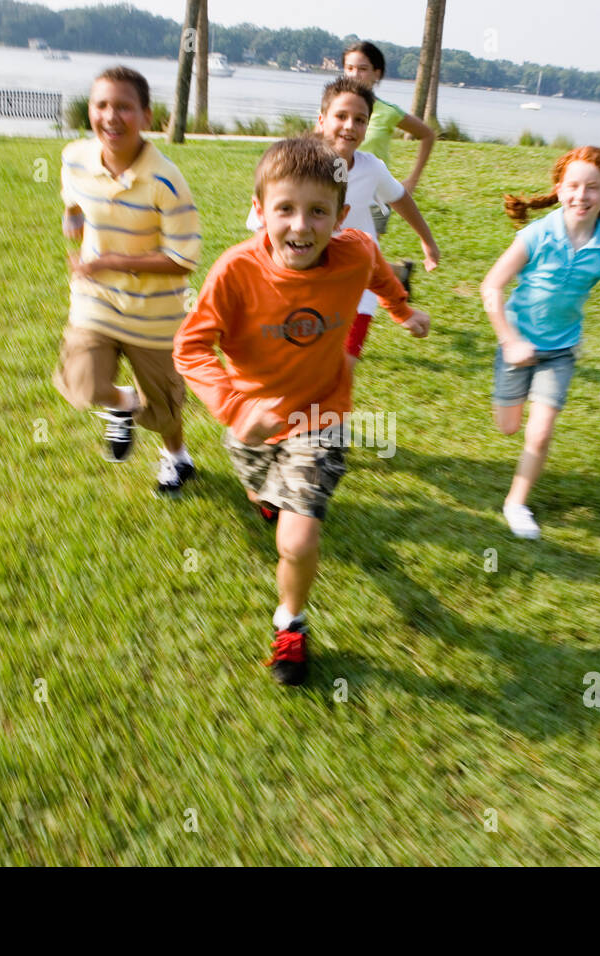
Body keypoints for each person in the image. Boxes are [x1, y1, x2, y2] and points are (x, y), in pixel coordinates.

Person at [175, 136, 432, 686]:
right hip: (250, 422)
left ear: (340, 216)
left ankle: (290, 622)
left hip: (321, 415)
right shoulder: (235, 271)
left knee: (297, 539)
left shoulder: (355, 251)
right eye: (285, 209)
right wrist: (234, 407)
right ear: (260, 210)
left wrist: (402, 311)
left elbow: (379, 271)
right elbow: (190, 347)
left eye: (318, 211)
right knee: (257, 485)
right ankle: (269, 497)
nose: (301, 225)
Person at [53, 66, 202, 495]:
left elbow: (182, 259)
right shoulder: (75, 157)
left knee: (166, 407)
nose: (111, 116)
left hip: (154, 312)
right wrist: (73, 219)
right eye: (101, 105)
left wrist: (114, 259)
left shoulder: (166, 180)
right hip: (95, 299)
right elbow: (71, 195)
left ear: (146, 116)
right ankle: (123, 405)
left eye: (123, 107)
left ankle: (177, 458)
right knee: (85, 382)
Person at [480, 146, 600, 540]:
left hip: (559, 353)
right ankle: (514, 404)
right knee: (509, 427)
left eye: (593, 188)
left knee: (540, 432)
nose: (582, 196)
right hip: (517, 343)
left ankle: (517, 503)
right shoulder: (537, 235)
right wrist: (509, 341)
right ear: (559, 190)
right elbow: (491, 287)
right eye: (573, 186)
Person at [246, 77, 440, 368]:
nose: (350, 126)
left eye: (360, 120)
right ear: (322, 120)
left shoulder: (372, 168)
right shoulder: (292, 168)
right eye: (341, 116)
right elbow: (263, 227)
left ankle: (333, 413)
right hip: (303, 283)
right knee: (297, 364)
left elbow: (400, 198)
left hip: (357, 281)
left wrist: (428, 241)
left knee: (343, 367)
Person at [343, 41, 436, 198]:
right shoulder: (331, 109)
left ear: (376, 74)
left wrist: (412, 180)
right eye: (350, 68)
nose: (354, 74)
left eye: (363, 69)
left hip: (375, 201)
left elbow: (428, 135)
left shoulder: (388, 112)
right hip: (336, 196)